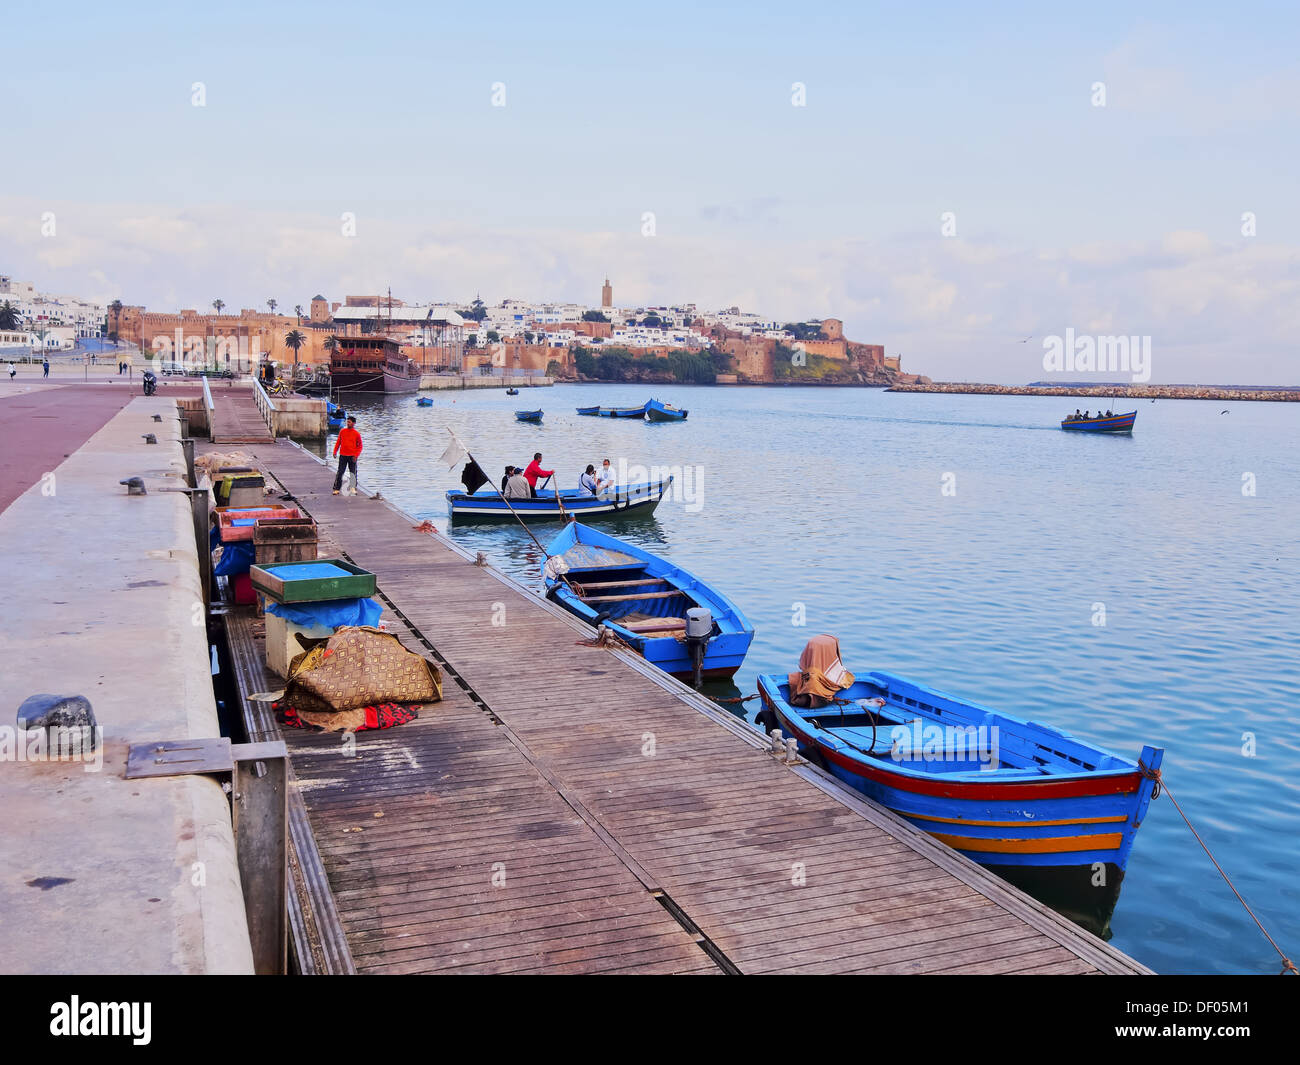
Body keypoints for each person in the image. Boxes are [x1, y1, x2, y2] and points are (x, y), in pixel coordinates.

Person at [332, 415, 362, 495]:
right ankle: (336, 489)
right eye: (347, 422)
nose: (347, 423)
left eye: (349, 422)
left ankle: (353, 488)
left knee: (353, 472)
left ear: (353, 423)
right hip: (343, 455)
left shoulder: (357, 434)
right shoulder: (342, 431)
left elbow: (360, 446)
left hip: (352, 456)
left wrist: (356, 455)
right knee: (340, 472)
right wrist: (335, 452)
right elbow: (338, 442)